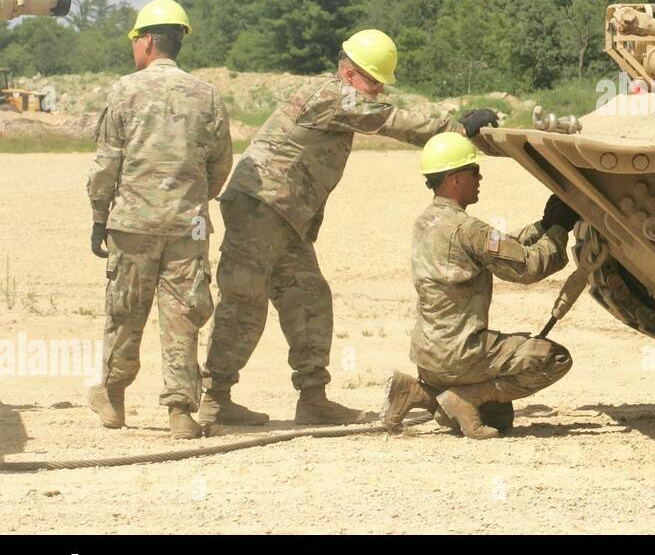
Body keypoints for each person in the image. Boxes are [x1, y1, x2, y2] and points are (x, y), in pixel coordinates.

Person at [199, 29, 500, 426]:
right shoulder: (328, 94)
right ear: (349, 71)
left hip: (285, 219)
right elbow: (388, 119)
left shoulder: (343, 100)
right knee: (244, 303)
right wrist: (456, 129)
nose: (376, 91)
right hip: (260, 209)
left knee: (309, 301)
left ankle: (312, 399)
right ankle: (215, 398)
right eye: (373, 81)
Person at [86, 0, 233, 439]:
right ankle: (181, 412)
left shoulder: (125, 91)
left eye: (135, 39)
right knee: (183, 316)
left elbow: (105, 164)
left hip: (133, 223)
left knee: (125, 313)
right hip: (189, 224)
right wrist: (193, 202)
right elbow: (221, 165)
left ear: (147, 40)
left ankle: (113, 398)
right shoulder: (207, 95)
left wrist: (99, 217)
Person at [381, 131, 580, 438]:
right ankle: (466, 397)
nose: (480, 177)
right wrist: (559, 229)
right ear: (455, 179)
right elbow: (527, 267)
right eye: (474, 172)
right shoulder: (467, 229)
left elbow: (501, 247)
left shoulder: (426, 222)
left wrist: (543, 225)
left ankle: (418, 392)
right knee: (554, 358)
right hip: (462, 354)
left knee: (499, 418)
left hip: (427, 354)